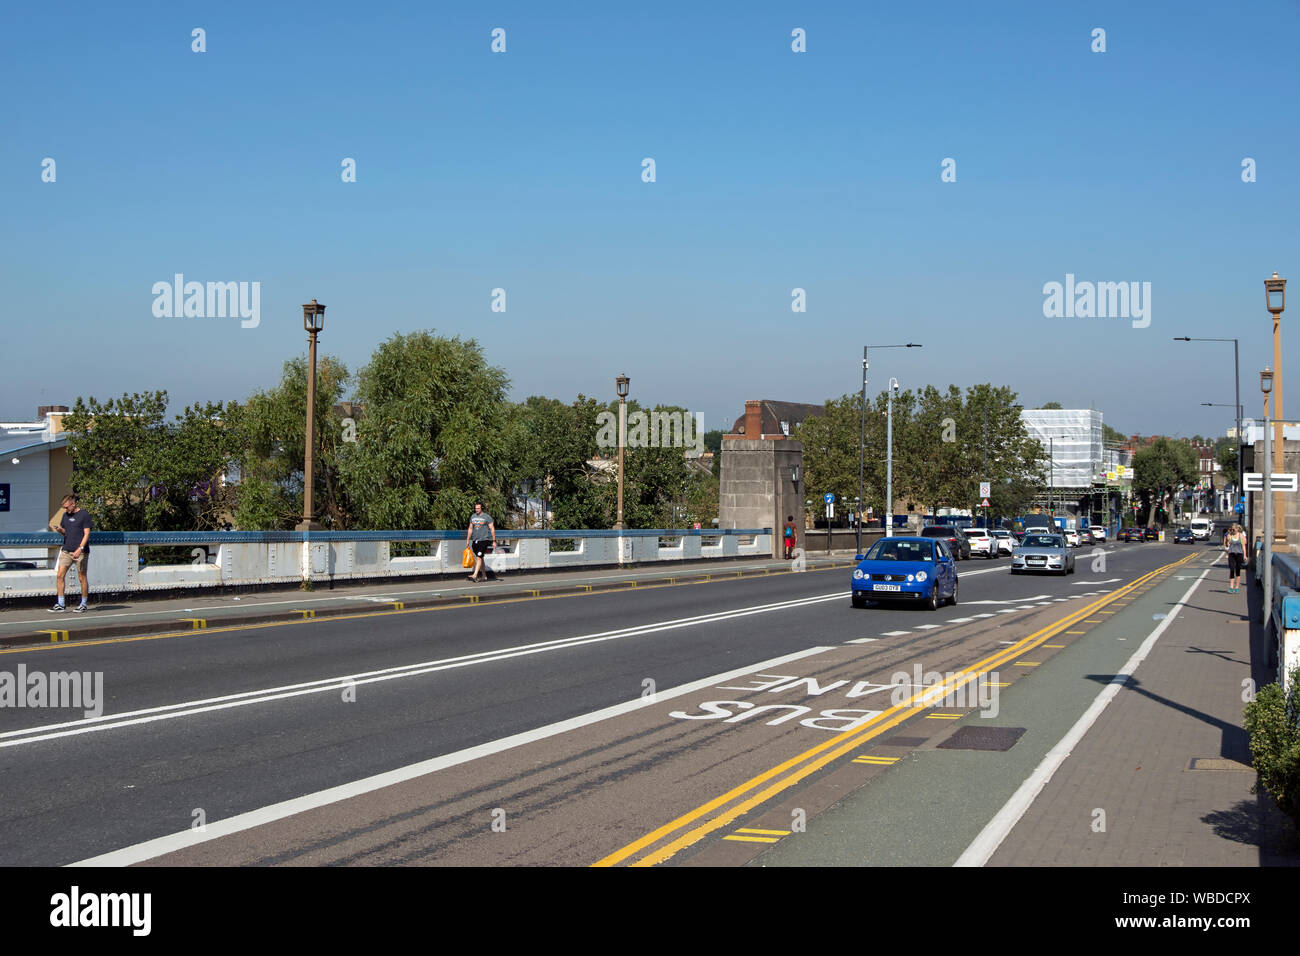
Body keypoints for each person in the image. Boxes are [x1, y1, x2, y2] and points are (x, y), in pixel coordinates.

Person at [50, 493, 92, 612]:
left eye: (67, 507)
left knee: (82, 577)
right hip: (66, 550)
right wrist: (60, 530)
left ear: (73, 504)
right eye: (64, 508)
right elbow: (66, 532)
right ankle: (61, 604)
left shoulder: (84, 515)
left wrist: (80, 548)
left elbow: (87, 534)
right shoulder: (65, 516)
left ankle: (83, 604)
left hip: (80, 552)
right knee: (59, 575)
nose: (66, 510)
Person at [465, 502, 496, 582]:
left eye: (478, 508)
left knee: (479, 556)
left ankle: (475, 575)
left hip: (484, 540)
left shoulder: (487, 517)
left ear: (481, 508)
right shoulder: (473, 516)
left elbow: (492, 529)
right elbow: (470, 528)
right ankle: (484, 576)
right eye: (476, 508)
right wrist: (468, 539)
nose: (476, 510)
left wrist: (494, 541)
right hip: (475, 540)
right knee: (480, 558)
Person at [1224, 523, 1245, 593]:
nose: (1232, 530)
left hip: (1239, 554)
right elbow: (1227, 545)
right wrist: (1227, 540)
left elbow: (1244, 546)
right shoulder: (1230, 535)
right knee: (1232, 570)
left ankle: (1237, 587)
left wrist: (1245, 555)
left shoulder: (1241, 536)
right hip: (1231, 554)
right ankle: (1231, 587)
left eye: (1234, 529)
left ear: (1237, 529)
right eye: (1231, 529)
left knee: (1238, 571)